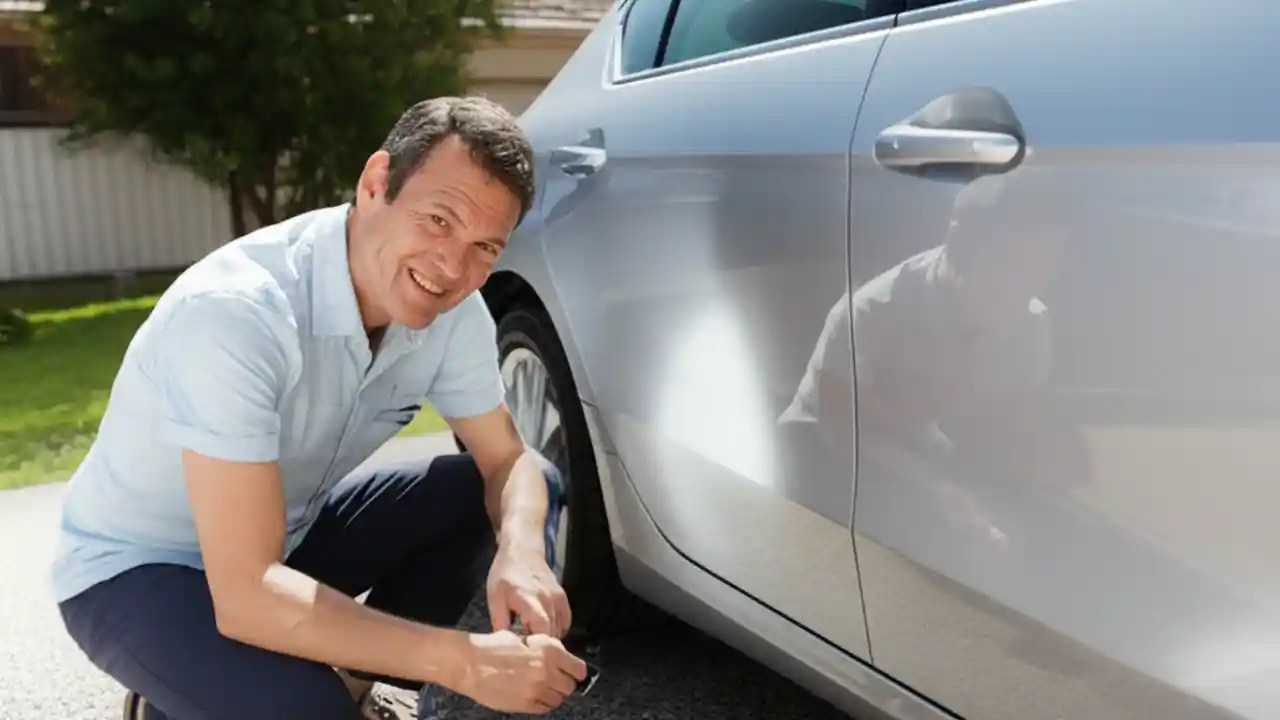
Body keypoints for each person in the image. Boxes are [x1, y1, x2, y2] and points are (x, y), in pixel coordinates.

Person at [49, 96, 588, 719]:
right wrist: (464, 660)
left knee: (508, 487)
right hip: (138, 572)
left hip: (278, 537)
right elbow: (249, 593)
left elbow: (508, 463)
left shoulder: (452, 313)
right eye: (439, 220)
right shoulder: (237, 313)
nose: (451, 266)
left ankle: (360, 688)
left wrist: (522, 550)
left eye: (484, 248)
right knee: (307, 709)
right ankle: (176, 693)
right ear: (376, 183)